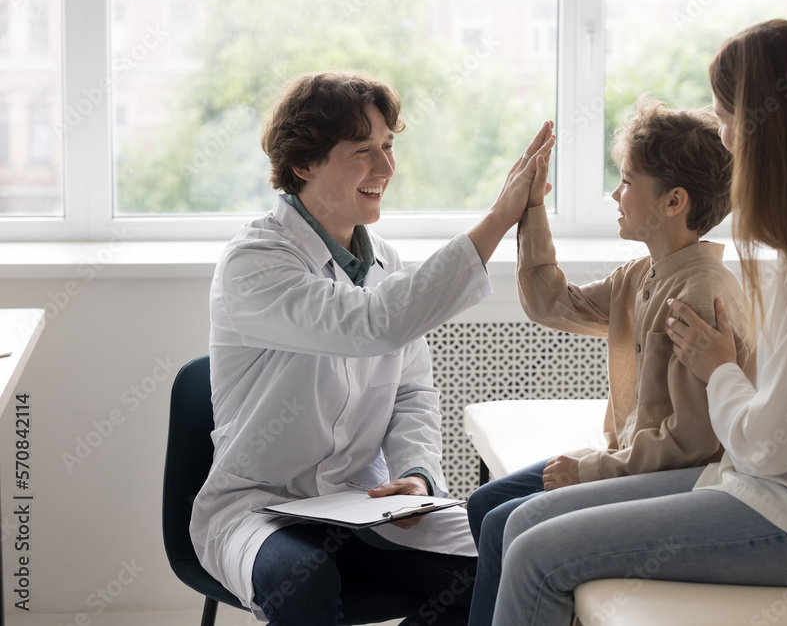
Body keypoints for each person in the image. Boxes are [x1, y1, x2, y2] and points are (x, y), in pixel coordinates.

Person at [489, 19, 787, 626]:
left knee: (535, 551)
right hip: (775, 490)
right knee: (526, 520)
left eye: (725, 118)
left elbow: (771, 444)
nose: (723, 137)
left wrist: (720, 369)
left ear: (762, 130)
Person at [190, 70, 554, 626]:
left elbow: (411, 392)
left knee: (511, 563)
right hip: (262, 508)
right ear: (304, 165)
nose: (385, 169)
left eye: (388, 147)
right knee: (302, 579)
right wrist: (499, 218)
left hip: (367, 502)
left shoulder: (385, 260)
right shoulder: (255, 262)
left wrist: (417, 474)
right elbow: (372, 325)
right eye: (363, 152)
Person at [464, 96, 755, 625]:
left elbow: (692, 447)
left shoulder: (698, 297)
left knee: (506, 521)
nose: (615, 195)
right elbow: (551, 303)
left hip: (678, 483)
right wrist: (530, 209)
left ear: (674, 201)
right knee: (485, 506)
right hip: (630, 464)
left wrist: (593, 470)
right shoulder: (643, 275)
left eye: (626, 181)